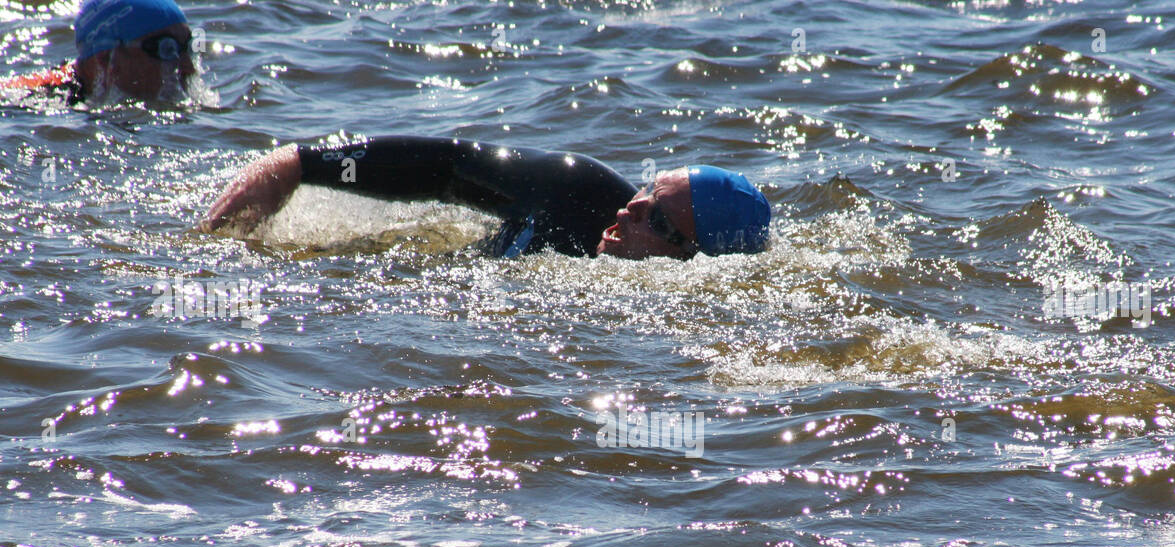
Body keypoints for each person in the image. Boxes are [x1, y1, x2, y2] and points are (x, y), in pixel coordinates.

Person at [200, 136, 771, 260]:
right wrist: (302, 165)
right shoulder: (575, 189)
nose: (628, 212)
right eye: (644, 194)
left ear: (690, 256)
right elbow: (447, 166)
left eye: (657, 219)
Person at [0, 0, 195, 106]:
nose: (188, 68)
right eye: (166, 49)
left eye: (187, 48)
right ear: (106, 59)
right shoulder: (26, 100)